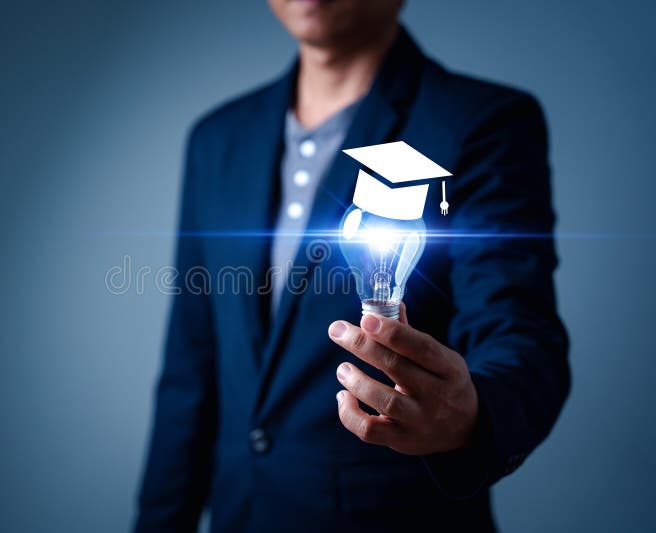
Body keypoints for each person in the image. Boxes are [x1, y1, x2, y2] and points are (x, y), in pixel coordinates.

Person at [135, 1, 570, 531]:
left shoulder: (481, 123)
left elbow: (519, 332)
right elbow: (191, 365)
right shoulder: (219, 139)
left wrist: (470, 414)